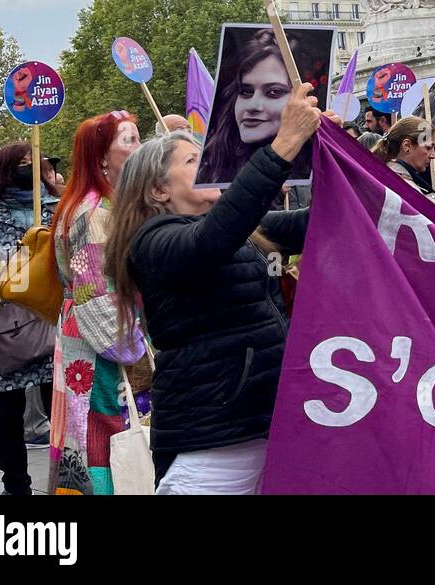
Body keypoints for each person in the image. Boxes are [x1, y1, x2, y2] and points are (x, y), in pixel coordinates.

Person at [104, 84, 324, 493]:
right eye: (193, 159)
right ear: (158, 190)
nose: (210, 164)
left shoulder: (243, 231)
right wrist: (283, 144)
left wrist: (327, 151)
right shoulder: (152, 241)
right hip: (210, 444)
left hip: (265, 425)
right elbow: (210, 242)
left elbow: (317, 221)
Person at [47, 111, 149, 496]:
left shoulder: (108, 205)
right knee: (103, 435)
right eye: (130, 140)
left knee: (97, 432)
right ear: (101, 157)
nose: (140, 148)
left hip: (99, 333)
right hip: (101, 341)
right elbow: (93, 293)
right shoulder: (94, 213)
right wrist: (136, 351)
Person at [0, 142, 58, 495]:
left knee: (63, 411)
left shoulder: (56, 211)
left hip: (52, 323)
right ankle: (16, 485)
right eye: (20, 164)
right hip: (6, 330)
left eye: (32, 163)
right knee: (7, 417)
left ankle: (69, 480)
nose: (27, 169)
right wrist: (22, 273)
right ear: (4, 171)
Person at [200, 29, 311, 185]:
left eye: (273, 92)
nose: (253, 106)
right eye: (246, 91)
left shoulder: (316, 165)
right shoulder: (209, 169)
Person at [376, 117, 435, 206]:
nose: (433, 155)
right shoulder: (403, 188)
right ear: (407, 146)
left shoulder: (387, 177)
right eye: (428, 148)